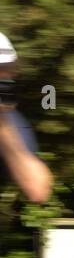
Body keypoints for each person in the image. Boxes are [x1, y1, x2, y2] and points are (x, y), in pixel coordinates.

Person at [0, 31, 52, 203]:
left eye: (6, 70)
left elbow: (37, 188)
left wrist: (3, 127)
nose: (5, 76)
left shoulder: (13, 125)